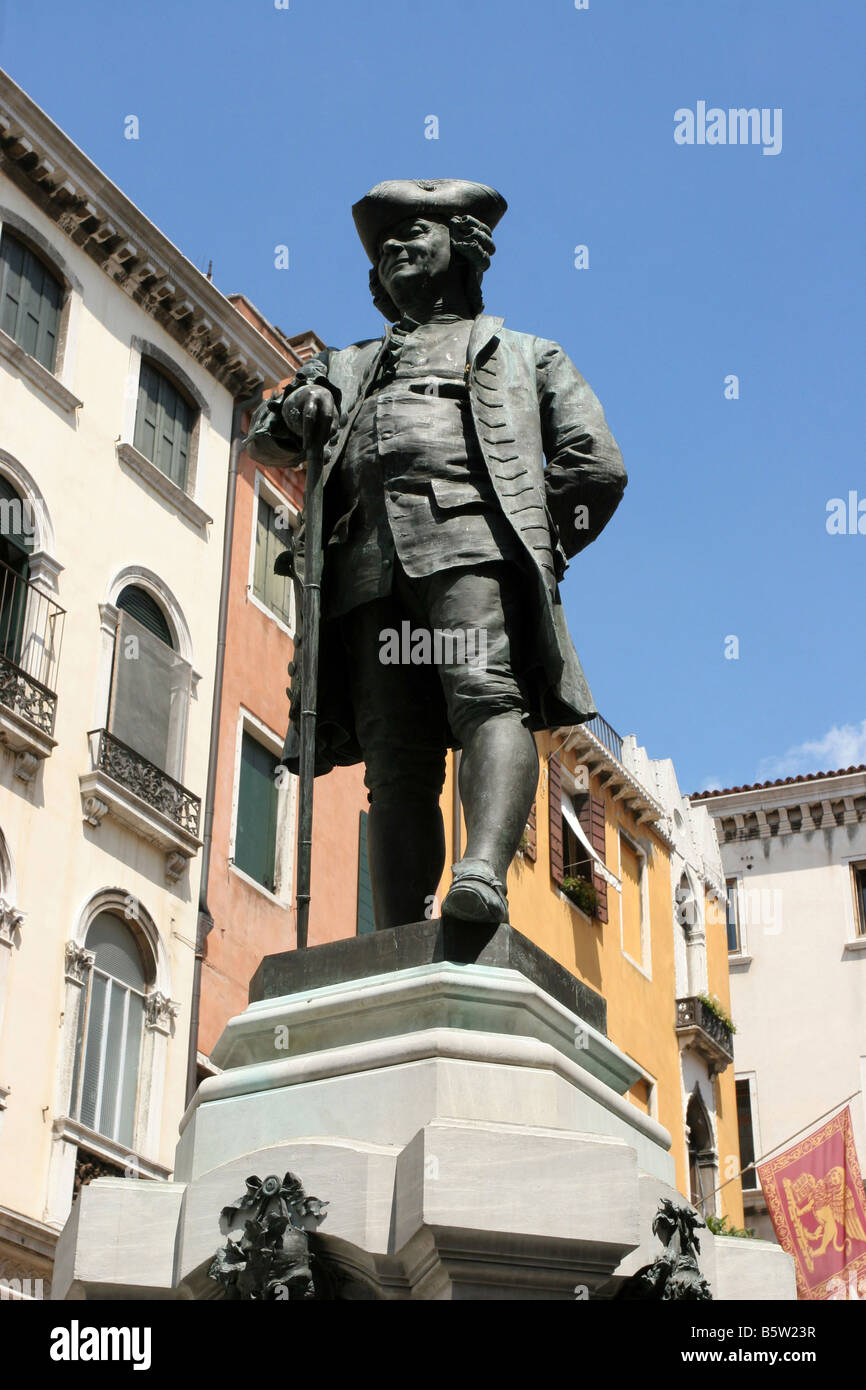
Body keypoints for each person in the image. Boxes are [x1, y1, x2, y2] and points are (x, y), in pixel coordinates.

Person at [246, 179, 626, 930]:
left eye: (415, 232)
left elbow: (596, 465)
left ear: (465, 247)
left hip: (470, 548)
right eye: (382, 245)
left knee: (486, 696)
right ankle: (397, 933)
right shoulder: (348, 365)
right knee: (394, 757)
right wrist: (296, 407)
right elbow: (267, 436)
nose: (394, 248)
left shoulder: (525, 355)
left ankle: (481, 871)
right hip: (365, 568)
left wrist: (527, 542)